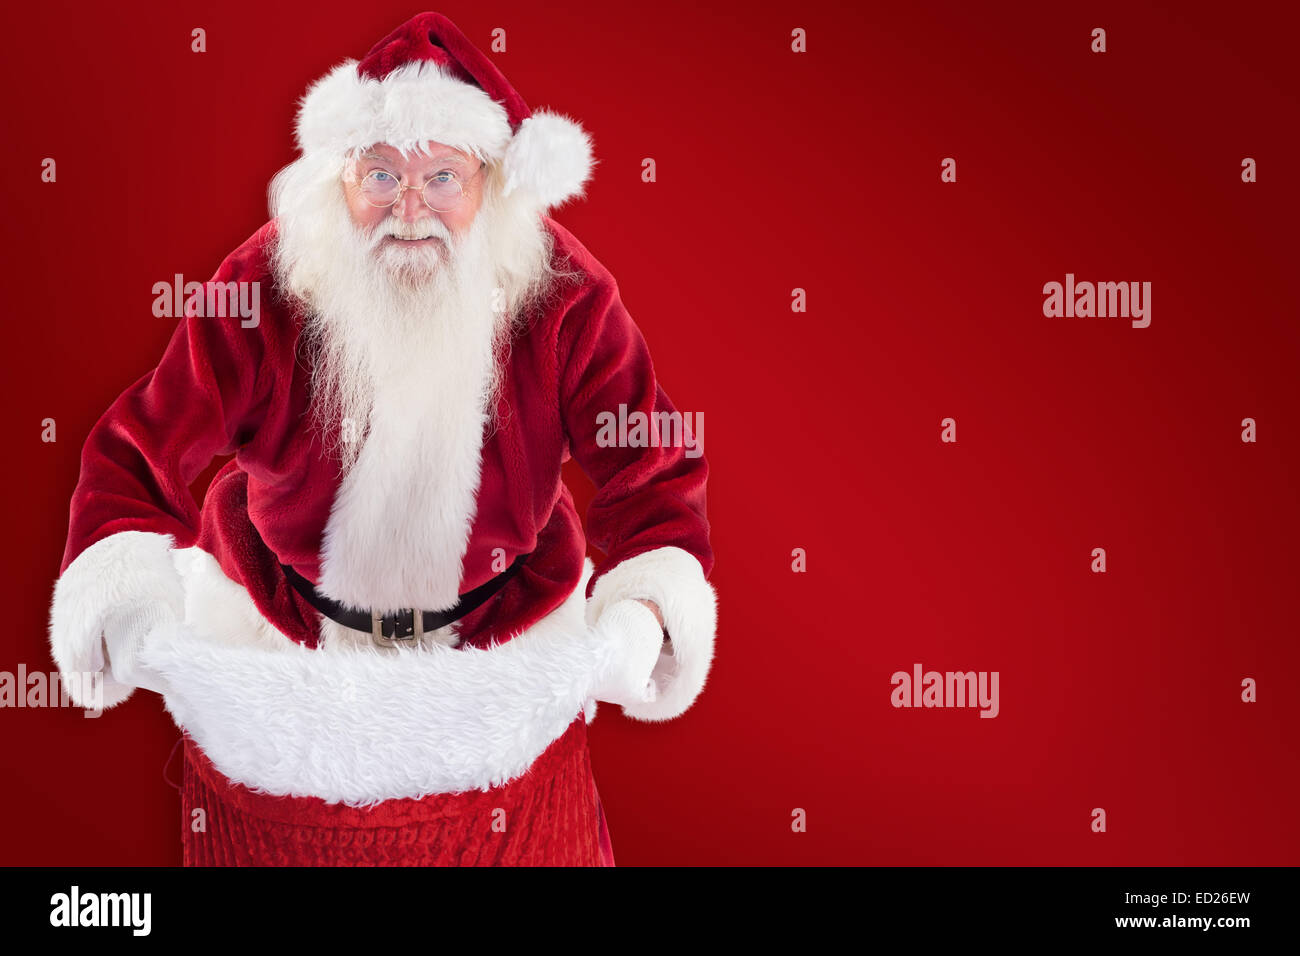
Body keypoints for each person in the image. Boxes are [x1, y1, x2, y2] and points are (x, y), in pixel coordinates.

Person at [47, 11, 716, 866]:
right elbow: (137, 446)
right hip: (284, 652)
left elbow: (654, 463)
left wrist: (645, 609)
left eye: (443, 176)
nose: (409, 211)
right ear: (339, 180)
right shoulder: (264, 282)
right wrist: (124, 595)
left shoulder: (566, 296)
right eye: (380, 175)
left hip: (500, 659)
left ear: (491, 186)